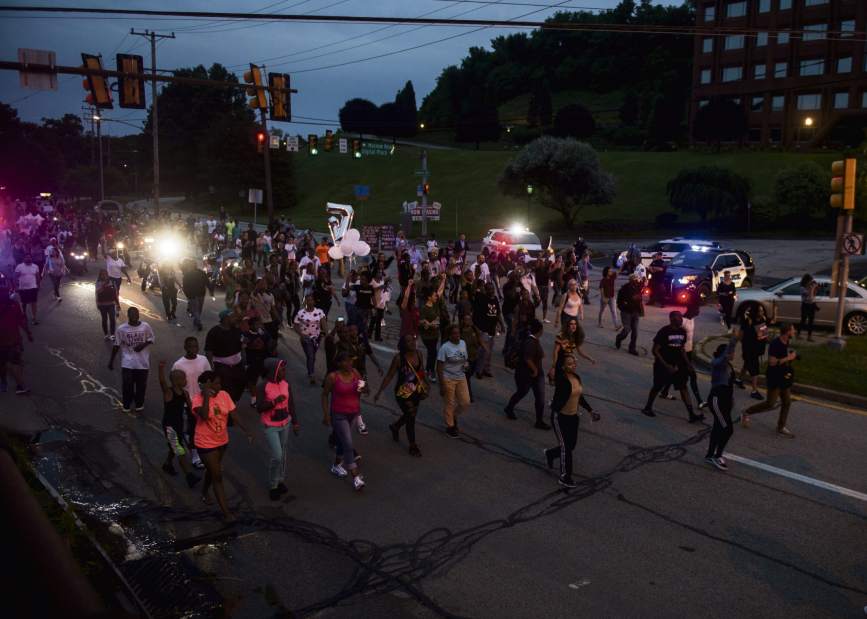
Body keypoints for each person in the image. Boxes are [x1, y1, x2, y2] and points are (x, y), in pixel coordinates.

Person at [193, 371, 255, 522]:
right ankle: (227, 514)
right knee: (217, 476)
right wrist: (207, 396)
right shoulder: (196, 400)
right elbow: (205, 415)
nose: (219, 386)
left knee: (212, 470)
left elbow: (233, 414)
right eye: (216, 383)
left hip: (222, 441)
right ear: (207, 384)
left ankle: (204, 491)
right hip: (205, 443)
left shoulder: (224, 395)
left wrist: (246, 430)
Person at [544, 354, 599, 488]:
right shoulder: (562, 379)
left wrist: (590, 410)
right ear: (563, 366)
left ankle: (550, 454)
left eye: (573, 363)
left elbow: (579, 396)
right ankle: (565, 476)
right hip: (560, 417)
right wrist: (553, 404)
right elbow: (555, 383)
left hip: (573, 417)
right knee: (566, 448)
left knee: (571, 446)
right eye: (569, 364)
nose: (573, 365)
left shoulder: (576, 377)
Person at [640, 311, 704, 423]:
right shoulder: (664, 332)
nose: (681, 321)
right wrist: (667, 365)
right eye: (679, 319)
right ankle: (647, 408)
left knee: (683, 387)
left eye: (681, 318)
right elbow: (655, 350)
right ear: (673, 319)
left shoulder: (682, 332)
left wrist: (688, 364)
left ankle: (691, 415)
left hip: (677, 365)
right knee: (657, 387)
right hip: (662, 365)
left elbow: (681, 349)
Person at [740, 323, 798, 437]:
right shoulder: (775, 344)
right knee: (770, 403)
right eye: (793, 330)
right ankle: (746, 412)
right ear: (787, 332)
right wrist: (788, 358)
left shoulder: (786, 342)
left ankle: (780, 427)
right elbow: (772, 362)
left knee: (787, 402)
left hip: (784, 377)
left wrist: (790, 357)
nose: (794, 332)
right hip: (774, 377)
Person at [375, 334, 428, 456]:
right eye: (408, 341)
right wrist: (379, 392)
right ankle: (412, 445)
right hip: (402, 392)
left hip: (416, 390)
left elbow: (421, 372)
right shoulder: (399, 359)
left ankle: (395, 426)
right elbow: (389, 376)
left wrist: (425, 386)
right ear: (403, 345)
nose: (412, 343)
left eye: (413, 340)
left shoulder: (419, 354)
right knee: (411, 415)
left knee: (410, 414)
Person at [321, 352, 366, 491]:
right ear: (339, 363)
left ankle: (336, 466)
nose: (350, 364)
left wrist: (363, 387)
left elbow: (363, 390)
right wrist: (326, 415)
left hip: (353, 413)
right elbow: (324, 395)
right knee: (348, 443)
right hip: (339, 415)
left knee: (342, 441)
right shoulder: (332, 377)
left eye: (351, 361)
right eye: (346, 361)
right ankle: (356, 477)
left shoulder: (356, 373)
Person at [257, 358, 298, 500]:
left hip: (285, 423)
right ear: (273, 370)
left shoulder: (286, 384)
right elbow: (259, 407)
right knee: (277, 455)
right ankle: (273, 485)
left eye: (284, 369)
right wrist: (274, 402)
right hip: (270, 426)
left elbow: (291, 403)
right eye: (281, 369)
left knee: (284, 453)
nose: (284, 372)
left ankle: (280, 480)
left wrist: (295, 423)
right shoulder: (263, 386)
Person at [156, 361, 200, 488]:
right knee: (180, 450)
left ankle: (167, 464)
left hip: (179, 424)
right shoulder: (169, 393)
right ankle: (189, 476)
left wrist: (197, 417)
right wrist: (160, 369)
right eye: (184, 378)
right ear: (176, 381)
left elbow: (191, 408)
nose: (186, 380)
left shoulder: (185, 393)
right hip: (169, 426)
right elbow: (162, 383)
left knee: (174, 447)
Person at [172, 336, 211, 470]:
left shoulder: (203, 360)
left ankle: (191, 438)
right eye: (190, 346)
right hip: (188, 403)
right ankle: (195, 457)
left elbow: (208, 377)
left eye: (195, 346)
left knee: (200, 427)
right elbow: (175, 384)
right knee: (195, 429)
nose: (193, 349)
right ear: (185, 347)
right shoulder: (178, 364)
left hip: (203, 401)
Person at [504, 318, 550, 429]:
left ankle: (539, 421)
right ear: (540, 330)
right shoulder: (530, 342)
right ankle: (509, 408)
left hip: (533, 374)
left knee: (539, 397)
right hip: (527, 374)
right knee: (522, 392)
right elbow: (527, 359)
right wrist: (534, 370)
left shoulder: (533, 340)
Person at [108, 307, 155, 413]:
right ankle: (126, 404)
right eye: (132, 314)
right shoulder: (121, 329)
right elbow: (116, 345)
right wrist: (111, 361)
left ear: (139, 315)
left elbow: (151, 338)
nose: (134, 316)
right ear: (128, 316)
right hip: (128, 363)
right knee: (127, 385)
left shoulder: (145, 326)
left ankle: (139, 404)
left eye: (136, 314)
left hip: (142, 363)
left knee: (141, 386)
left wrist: (143, 345)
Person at [705, 338, 737, 471]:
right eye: (730, 352)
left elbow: (729, 385)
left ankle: (710, 454)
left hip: (725, 400)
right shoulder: (717, 363)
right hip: (717, 400)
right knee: (727, 428)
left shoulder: (728, 365)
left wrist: (731, 400)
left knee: (718, 427)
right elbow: (724, 357)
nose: (733, 354)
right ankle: (717, 455)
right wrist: (734, 340)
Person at [436, 324, 471, 438]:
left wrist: (466, 364)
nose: (457, 336)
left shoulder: (463, 343)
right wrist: (441, 384)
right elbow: (439, 366)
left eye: (458, 333)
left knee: (465, 402)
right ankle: (450, 426)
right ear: (449, 336)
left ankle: (453, 415)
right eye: (454, 334)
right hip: (448, 379)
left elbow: (465, 358)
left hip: (461, 377)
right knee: (449, 403)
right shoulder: (445, 348)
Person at [205, 309, 245, 403]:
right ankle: (227, 406)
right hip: (222, 365)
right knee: (227, 388)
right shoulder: (214, 332)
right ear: (226, 319)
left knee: (241, 382)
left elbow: (241, 342)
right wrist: (211, 365)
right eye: (233, 317)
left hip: (238, 364)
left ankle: (233, 402)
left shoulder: (236, 329)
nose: (235, 319)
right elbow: (209, 350)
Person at [0, 277, 33, 394]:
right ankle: (19, 386)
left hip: (9, 340)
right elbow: (22, 321)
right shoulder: (14, 305)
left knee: (3, 362)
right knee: (15, 363)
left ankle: (3, 383)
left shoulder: (14, 305)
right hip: (13, 340)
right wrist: (28, 333)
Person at [735, 304, 768, 400]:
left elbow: (764, 334)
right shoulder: (747, 322)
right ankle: (754, 390)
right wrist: (746, 344)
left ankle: (739, 379)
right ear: (755, 312)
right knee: (754, 369)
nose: (762, 312)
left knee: (747, 364)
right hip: (749, 349)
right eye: (760, 311)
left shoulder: (762, 320)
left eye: (762, 310)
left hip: (757, 349)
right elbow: (741, 335)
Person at [548, 318, 595, 383]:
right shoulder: (561, 335)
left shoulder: (576, 336)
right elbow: (555, 351)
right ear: (567, 326)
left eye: (575, 324)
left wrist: (589, 358)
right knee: (560, 382)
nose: (574, 326)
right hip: (561, 361)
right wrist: (553, 366)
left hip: (570, 362)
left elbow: (579, 351)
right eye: (571, 324)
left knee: (568, 382)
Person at [472, 282, 503, 378]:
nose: (492, 290)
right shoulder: (482, 299)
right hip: (484, 328)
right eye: (489, 289)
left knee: (489, 351)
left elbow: (498, 313)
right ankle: (479, 370)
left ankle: (486, 369)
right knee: (483, 351)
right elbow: (474, 290)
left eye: (492, 288)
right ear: (485, 290)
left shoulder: (495, 299)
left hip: (492, 329)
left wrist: (501, 324)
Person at [294, 294, 327, 384]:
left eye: (311, 300)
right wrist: (301, 335)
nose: (310, 302)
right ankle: (312, 374)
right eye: (308, 300)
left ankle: (310, 369)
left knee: (312, 355)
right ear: (305, 302)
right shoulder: (301, 313)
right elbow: (296, 325)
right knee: (310, 355)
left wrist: (326, 334)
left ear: (314, 301)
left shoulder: (319, 312)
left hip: (317, 338)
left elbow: (323, 323)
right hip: (306, 338)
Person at [614, 274, 644, 355]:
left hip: (636, 312)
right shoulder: (625, 288)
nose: (637, 280)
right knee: (627, 329)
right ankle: (619, 338)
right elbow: (619, 301)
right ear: (631, 280)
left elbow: (640, 296)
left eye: (637, 278)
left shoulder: (638, 287)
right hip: (626, 312)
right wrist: (624, 306)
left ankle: (632, 348)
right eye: (635, 278)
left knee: (635, 331)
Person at [460, 313, 485, 402]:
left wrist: (484, 347)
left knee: (469, 375)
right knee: (466, 377)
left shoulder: (474, 329)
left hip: (474, 357)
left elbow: (479, 339)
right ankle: (469, 395)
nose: (468, 321)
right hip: (464, 359)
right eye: (466, 319)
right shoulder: (460, 331)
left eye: (469, 319)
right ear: (463, 321)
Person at [14, 254, 41, 325]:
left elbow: (38, 277)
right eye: (26, 257)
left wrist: (38, 285)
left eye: (29, 257)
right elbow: (15, 277)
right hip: (23, 288)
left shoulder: (35, 266)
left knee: (34, 303)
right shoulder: (19, 266)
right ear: (24, 258)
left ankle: (34, 318)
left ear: (31, 258)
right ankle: (24, 316)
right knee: (24, 304)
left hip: (33, 287)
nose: (28, 258)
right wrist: (16, 286)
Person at [182, 261, 209, 331]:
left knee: (195, 310)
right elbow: (207, 282)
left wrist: (187, 295)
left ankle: (198, 321)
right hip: (201, 294)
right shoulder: (202, 273)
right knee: (199, 309)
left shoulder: (187, 274)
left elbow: (184, 286)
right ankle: (197, 320)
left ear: (190, 266)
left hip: (192, 295)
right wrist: (211, 291)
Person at [94, 269, 120, 341]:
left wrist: (118, 304)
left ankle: (112, 334)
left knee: (112, 319)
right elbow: (97, 292)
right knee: (104, 319)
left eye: (105, 274)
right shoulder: (98, 282)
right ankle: (106, 334)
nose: (104, 276)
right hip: (102, 304)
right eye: (102, 274)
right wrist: (104, 285)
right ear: (100, 275)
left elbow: (115, 294)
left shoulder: (112, 282)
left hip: (111, 303)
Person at [797, 274, 819, 341]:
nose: (811, 282)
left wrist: (815, 288)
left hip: (812, 305)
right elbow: (809, 297)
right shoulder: (802, 288)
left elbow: (813, 296)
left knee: (811, 321)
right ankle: (798, 334)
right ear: (806, 281)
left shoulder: (810, 287)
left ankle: (809, 337)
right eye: (810, 281)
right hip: (805, 305)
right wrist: (812, 288)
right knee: (803, 320)